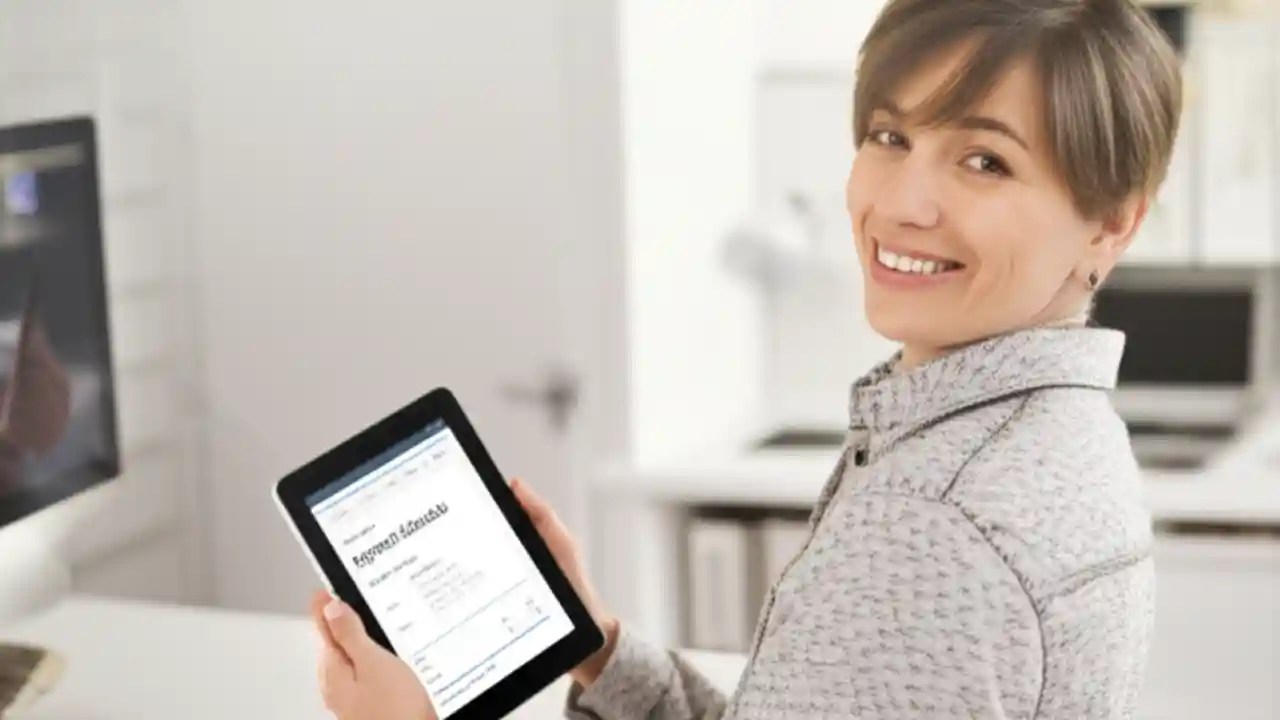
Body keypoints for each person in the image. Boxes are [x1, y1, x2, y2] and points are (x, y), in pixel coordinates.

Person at [308, 0, 1181, 716]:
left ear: (1112, 223)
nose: (902, 203)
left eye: (984, 161)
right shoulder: (1059, 434)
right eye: (890, 136)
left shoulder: (932, 525)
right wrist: (600, 647)